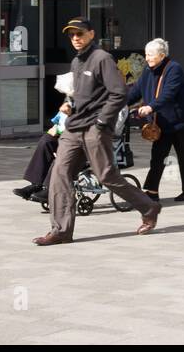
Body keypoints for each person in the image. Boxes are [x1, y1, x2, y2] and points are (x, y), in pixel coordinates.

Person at [34, 18, 160, 245]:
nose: (75, 38)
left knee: (106, 176)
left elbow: (119, 93)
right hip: (74, 127)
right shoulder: (76, 62)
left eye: (80, 33)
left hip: (95, 127)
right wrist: (70, 106)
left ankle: (149, 207)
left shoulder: (102, 59)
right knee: (59, 175)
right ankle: (61, 230)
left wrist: (102, 121)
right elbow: (80, 95)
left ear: (91, 34)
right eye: (71, 35)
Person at [126, 38, 184, 203]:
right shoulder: (147, 70)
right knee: (158, 155)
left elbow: (169, 93)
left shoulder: (174, 69)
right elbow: (136, 91)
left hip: (182, 119)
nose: (147, 58)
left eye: (151, 55)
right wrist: (120, 103)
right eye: (146, 54)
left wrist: (150, 107)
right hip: (161, 121)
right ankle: (152, 191)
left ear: (161, 55)